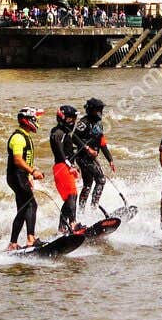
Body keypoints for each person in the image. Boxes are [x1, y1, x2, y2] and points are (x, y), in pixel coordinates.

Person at [6, 107, 43, 249]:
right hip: (16, 176)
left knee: (22, 209)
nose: (37, 122)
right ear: (27, 120)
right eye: (35, 119)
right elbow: (17, 160)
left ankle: (13, 244)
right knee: (31, 204)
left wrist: (28, 176)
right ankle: (31, 239)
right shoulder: (18, 137)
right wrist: (33, 171)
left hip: (20, 176)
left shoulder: (25, 136)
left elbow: (26, 159)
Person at [73, 97, 115, 212]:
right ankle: (93, 208)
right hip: (83, 157)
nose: (100, 112)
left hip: (91, 158)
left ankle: (81, 211)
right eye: (98, 110)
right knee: (101, 180)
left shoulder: (99, 124)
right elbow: (74, 137)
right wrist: (88, 149)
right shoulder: (84, 122)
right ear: (91, 110)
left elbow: (102, 143)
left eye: (101, 110)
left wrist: (110, 160)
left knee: (88, 184)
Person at [50, 104, 80, 234]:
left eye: (73, 119)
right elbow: (59, 152)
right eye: (70, 119)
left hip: (64, 167)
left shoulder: (65, 133)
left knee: (71, 198)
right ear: (62, 118)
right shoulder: (57, 132)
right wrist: (69, 166)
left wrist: (74, 166)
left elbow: (68, 152)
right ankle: (73, 224)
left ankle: (62, 227)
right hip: (62, 167)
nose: (72, 122)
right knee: (72, 195)